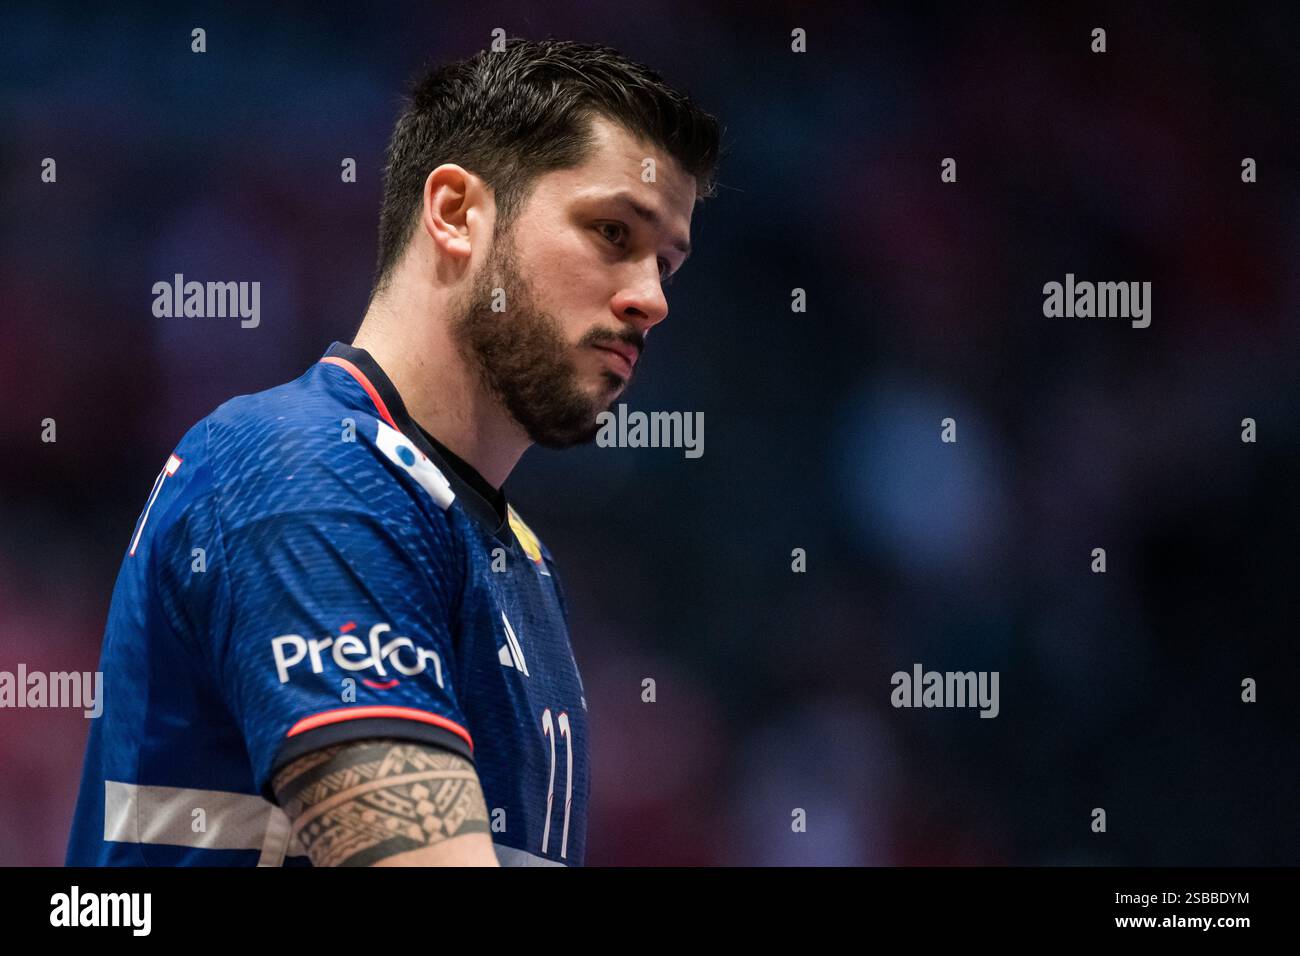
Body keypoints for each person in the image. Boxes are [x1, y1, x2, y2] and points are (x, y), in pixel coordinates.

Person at [66, 37, 721, 867]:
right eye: (611, 230)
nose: (652, 299)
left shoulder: (511, 552)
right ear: (454, 212)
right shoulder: (301, 472)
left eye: (667, 263)